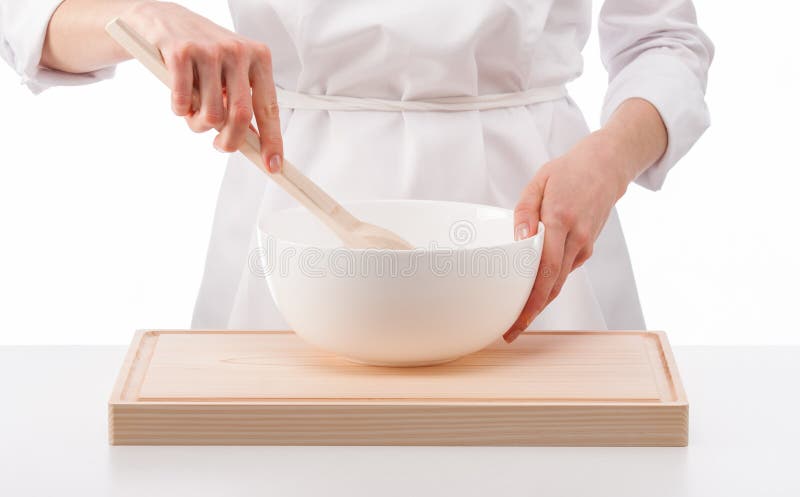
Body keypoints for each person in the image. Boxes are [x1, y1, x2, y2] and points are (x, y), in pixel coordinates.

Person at [0, 1, 712, 341]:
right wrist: (142, 15)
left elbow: (664, 39)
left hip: (536, 231)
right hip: (296, 228)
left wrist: (611, 158)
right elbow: (28, 17)